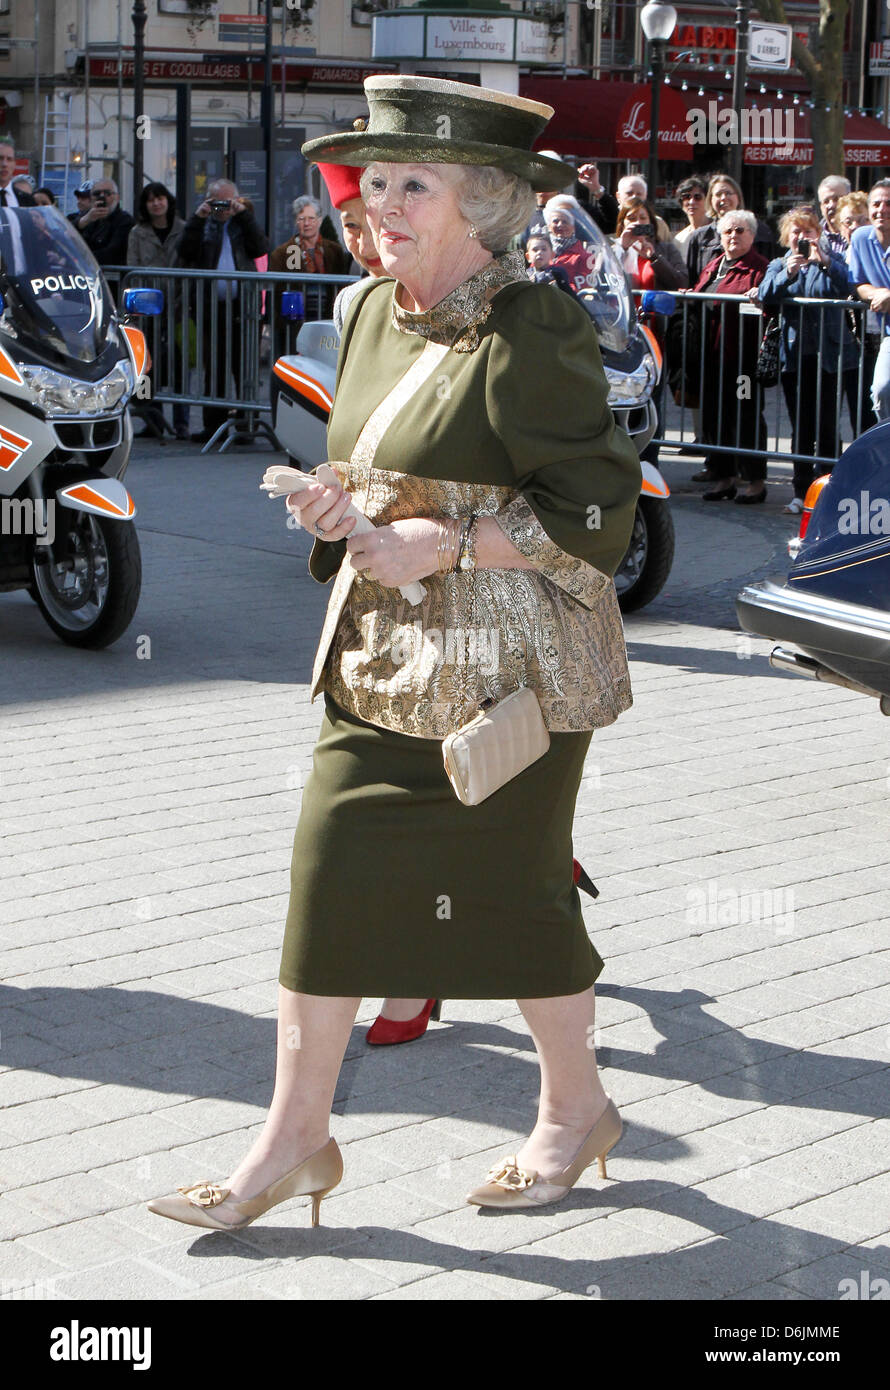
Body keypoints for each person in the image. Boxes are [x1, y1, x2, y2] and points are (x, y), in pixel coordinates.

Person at [146, 74, 639, 1230]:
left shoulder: (535, 326)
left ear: (483, 203)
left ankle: (574, 1111)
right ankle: (294, 1138)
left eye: (412, 183)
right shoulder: (369, 314)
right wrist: (337, 509)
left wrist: (451, 537)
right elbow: (377, 471)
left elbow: (597, 511)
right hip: (375, 664)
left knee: (517, 905)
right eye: (374, 182)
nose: (379, 205)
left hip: (508, 678)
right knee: (323, 885)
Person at [760, 206, 860, 513]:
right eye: (796, 231)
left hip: (830, 354)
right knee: (801, 426)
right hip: (796, 355)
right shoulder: (779, 264)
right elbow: (766, 294)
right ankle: (801, 491)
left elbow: (849, 286)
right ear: (786, 237)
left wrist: (826, 262)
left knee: (828, 425)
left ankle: (829, 490)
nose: (802, 237)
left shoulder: (833, 261)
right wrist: (789, 273)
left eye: (808, 231)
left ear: (818, 235)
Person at [176, 178, 268, 442]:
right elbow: (185, 250)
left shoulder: (242, 223)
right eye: (218, 203)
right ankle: (212, 425)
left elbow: (260, 246)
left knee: (243, 369)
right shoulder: (204, 224)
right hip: (209, 309)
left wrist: (243, 216)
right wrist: (199, 218)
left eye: (228, 203)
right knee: (213, 369)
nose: (223, 209)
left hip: (242, 309)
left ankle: (245, 425)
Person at [689, 210, 769, 503]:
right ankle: (724, 477)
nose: (733, 236)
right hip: (712, 358)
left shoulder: (759, 267)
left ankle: (755, 481)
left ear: (751, 234)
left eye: (739, 231)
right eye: (727, 232)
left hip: (743, 361)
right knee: (714, 417)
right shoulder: (714, 265)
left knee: (745, 416)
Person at [127, 182, 189, 439]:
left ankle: (182, 422)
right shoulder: (137, 233)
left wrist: (181, 298)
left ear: (168, 200)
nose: (156, 203)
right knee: (149, 363)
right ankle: (152, 418)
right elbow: (132, 266)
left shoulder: (183, 229)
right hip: (147, 307)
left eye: (160, 198)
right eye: (151, 199)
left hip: (177, 304)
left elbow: (189, 265)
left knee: (179, 363)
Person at [269, 195, 351, 324]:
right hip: (296, 323)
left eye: (311, 218)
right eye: (301, 219)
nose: (306, 224)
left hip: (328, 320)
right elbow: (276, 295)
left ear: (319, 220)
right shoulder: (283, 253)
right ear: (296, 222)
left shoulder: (334, 251)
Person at [847, 179, 890, 423]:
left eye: (889, 203)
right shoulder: (861, 238)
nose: (881, 209)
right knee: (881, 390)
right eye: (876, 204)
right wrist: (875, 293)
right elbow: (859, 283)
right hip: (888, 334)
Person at [686, 175, 773, 284]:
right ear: (710, 199)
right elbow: (692, 278)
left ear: (738, 198)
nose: (723, 198)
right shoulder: (700, 236)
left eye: (728, 193)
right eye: (718, 194)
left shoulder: (759, 230)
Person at [613, 196, 688, 292]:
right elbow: (605, 278)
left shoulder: (668, 249)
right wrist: (622, 249)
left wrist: (654, 257)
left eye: (643, 218)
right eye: (631, 219)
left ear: (650, 222)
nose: (638, 223)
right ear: (622, 224)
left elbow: (682, 283)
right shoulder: (612, 251)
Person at [72, 177, 134, 267]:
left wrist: (78, 258)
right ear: (91, 198)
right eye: (97, 194)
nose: (102, 197)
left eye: (107, 193)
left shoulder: (125, 221)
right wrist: (85, 221)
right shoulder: (87, 219)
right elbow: (67, 236)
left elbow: (113, 252)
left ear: (117, 197)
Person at [543, 195, 599, 292]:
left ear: (573, 227)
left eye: (565, 222)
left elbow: (585, 290)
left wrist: (560, 285)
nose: (560, 225)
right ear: (548, 226)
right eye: (555, 221)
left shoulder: (584, 256)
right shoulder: (541, 249)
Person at [818, 175, 851, 260]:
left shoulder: (860, 234)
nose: (831, 205)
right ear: (821, 207)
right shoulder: (813, 236)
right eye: (826, 201)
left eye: (837, 199)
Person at [673, 176, 710, 251]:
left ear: (707, 199)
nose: (691, 202)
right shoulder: (679, 239)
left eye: (697, 197)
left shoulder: (717, 232)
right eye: (686, 197)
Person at [0, 141, 35, 207]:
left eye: (9, 159)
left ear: (14, 164)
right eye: (0, 158)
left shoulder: (27, 200)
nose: (5, 164)